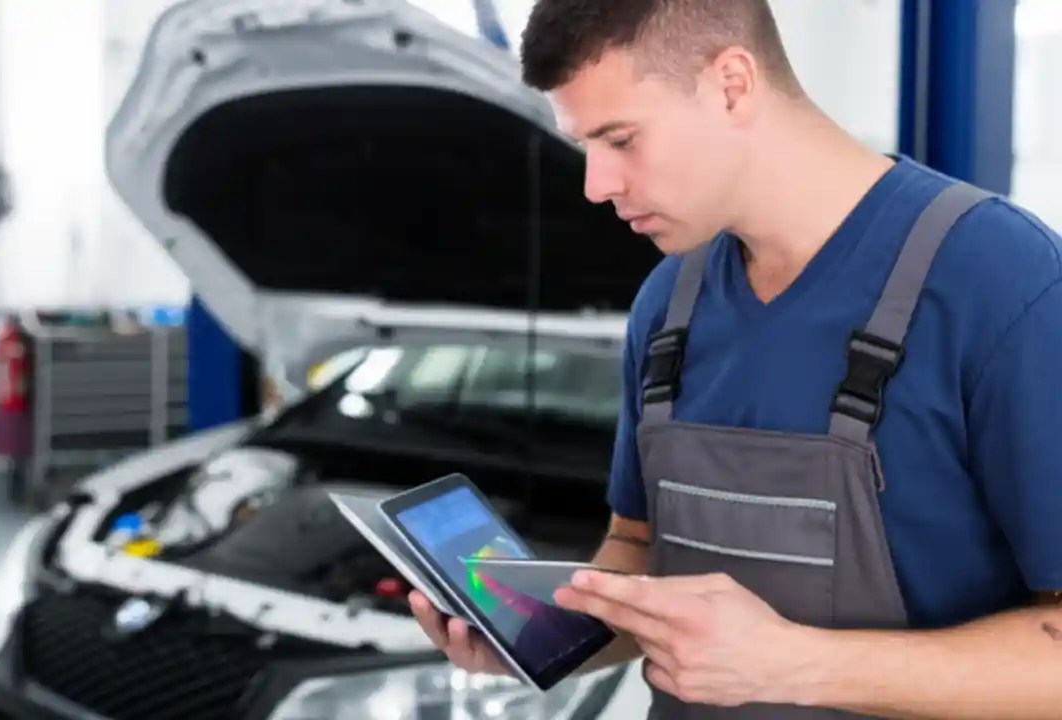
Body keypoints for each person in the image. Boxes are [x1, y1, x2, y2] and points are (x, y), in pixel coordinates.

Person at [408, 0, 1062, 717]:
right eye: (585, 146)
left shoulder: (1000, 279)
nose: (596, 185)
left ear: (731, 83)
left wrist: (794, 664)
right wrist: (543, 636)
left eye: (620, 139)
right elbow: (636, 548)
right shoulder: (668, 303)